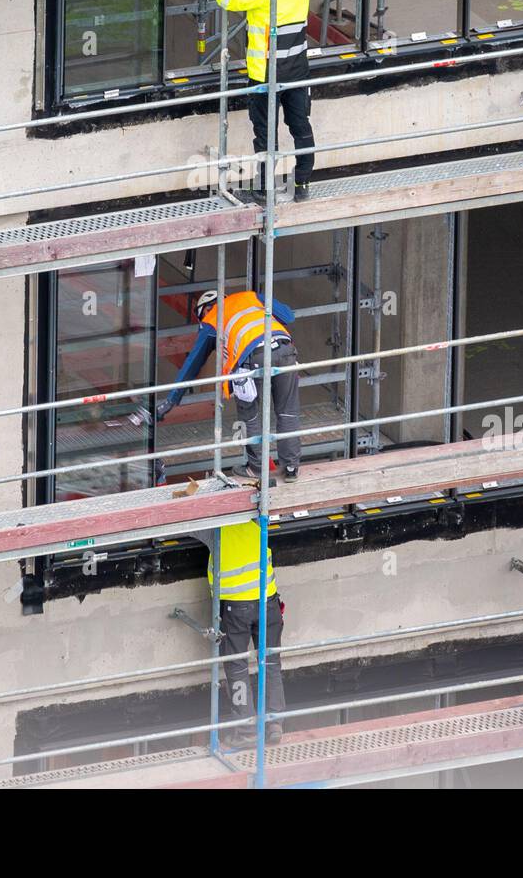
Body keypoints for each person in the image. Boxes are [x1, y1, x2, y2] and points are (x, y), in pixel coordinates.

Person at [158, 289, 302, 481]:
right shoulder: (251, 297)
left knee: (250, 415)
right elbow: (288, 315)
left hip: (253, 357)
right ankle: (291, 468)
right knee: (287, 412)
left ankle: (257, 468)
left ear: (205, 309)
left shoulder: (211, 320)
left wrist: (171, 399)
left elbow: (193, 362)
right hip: (286, 350)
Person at [214, 0, 314, 200]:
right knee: (301, 127)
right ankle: (301, 184)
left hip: (265, 75)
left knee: (266, 135)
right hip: (298, 69)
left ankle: (263, 190)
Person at [199, 519, 285, 749]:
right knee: (271, 662)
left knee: (236, 667)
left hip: (237, 609)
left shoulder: (214, 528)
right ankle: (274, 724)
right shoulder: (259, 519)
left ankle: (247, 730)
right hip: (269, 603)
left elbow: (182, 522)